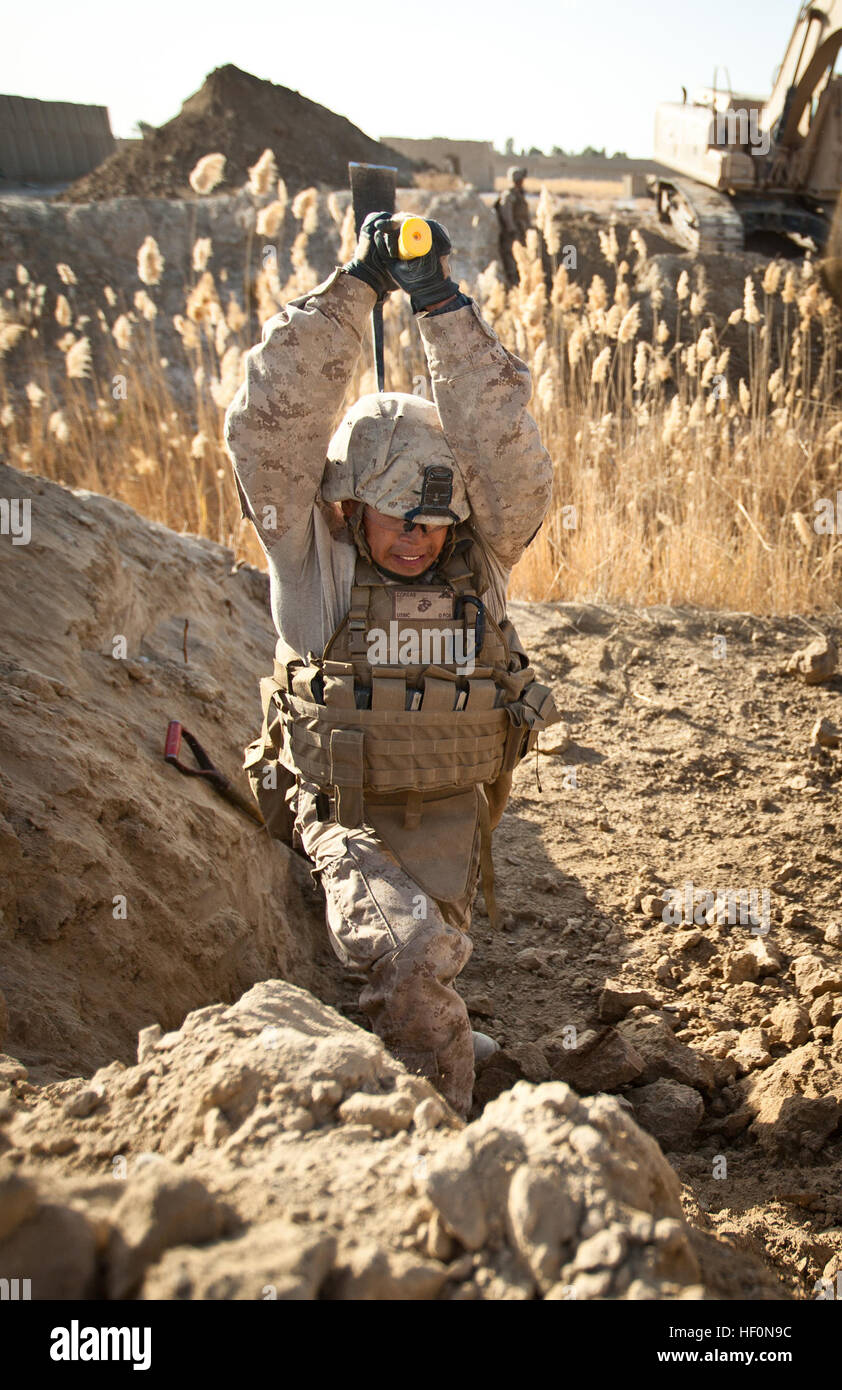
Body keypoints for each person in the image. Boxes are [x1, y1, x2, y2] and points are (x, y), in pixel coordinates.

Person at [223, 211, 558, 1117]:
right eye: (395, 516)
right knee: (410, 957)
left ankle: (427, 1040)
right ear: (347, 506)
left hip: (450, 809)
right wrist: (358, 289)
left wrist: (439, 303)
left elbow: (506, 452)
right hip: (349, 814)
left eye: (434, 518)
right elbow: (269, 430)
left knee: (423, 971)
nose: (417, 538)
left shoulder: (479, 560)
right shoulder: (315, 564)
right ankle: (433, 1141)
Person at [495, 166, 531, 288]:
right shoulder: (509, 195)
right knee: (512, 261)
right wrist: (512, 230)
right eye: (521, 179)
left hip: (521, 232)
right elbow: (507, 214)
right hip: (512, 235)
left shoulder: (518, 194)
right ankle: (514, 286)